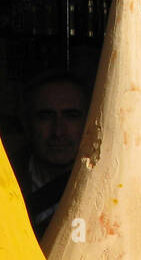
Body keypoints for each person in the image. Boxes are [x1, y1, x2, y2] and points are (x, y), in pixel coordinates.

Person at [16, 69, 88, 236]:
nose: (58, 131)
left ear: (90, 121)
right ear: (27, 124)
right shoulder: (2, 180)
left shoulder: (110, 181)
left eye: (71, 116)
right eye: (46, 117)